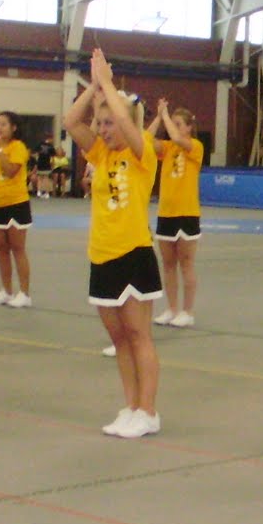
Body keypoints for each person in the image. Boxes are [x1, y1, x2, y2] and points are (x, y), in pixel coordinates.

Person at [66, 49, 162, 436]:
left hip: (134, 253)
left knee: (139, 335)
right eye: (101, 124)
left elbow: (125, 119)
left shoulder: (144, 154)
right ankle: (130, 406)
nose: (104, 129)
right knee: (119, 338)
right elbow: (71, 120)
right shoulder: (101, 154)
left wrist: (109, 84)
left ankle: (149, 411)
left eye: (109, 123)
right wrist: (94, 87)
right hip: (101, 255)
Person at [151, 98, 204, 328]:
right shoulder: (168, 148)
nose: (175, 127)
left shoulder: (195, 146)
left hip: (187, 212)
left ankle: (188, 311)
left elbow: (176, 137)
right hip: (166, 212)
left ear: (189, 127)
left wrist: (165, 117)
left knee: (186, 262)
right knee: (168, 263)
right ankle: (171, 308)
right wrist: (157, 116)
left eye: (179, 123)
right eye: (173, 123)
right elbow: (145, 142)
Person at [0, 111, 34, 308]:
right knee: (1, 249)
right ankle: (6, 291)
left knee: (17, 248)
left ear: (14, 127)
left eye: (4, 124)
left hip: (17, 203)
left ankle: (24, 293)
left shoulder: (18, 147)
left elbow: (10, 171)